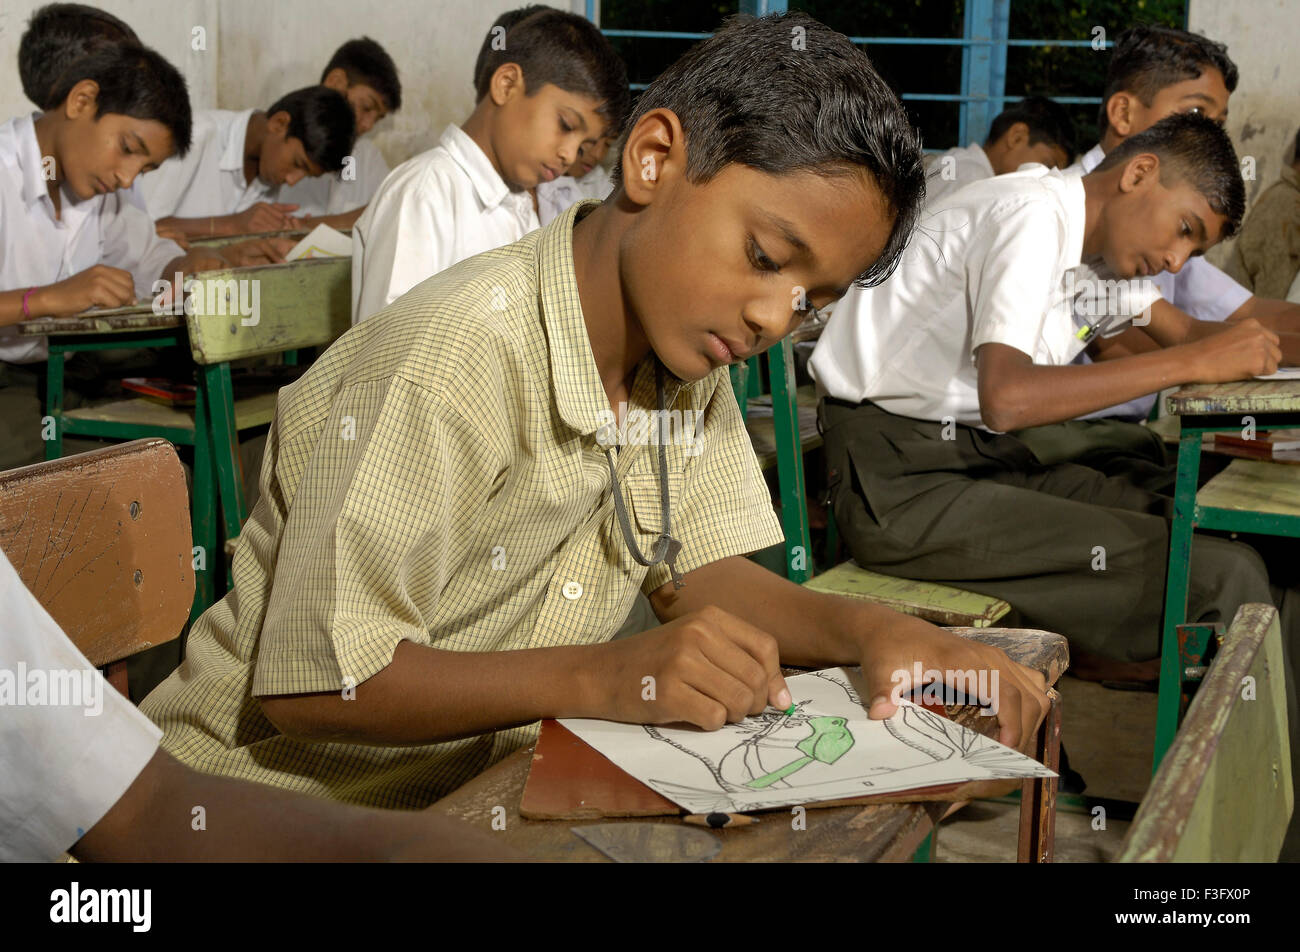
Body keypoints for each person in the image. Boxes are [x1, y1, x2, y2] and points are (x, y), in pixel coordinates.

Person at [140, 12, 1050, 810]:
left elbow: (694, 572)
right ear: (654, 160)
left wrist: (882, 633)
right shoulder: (453, 355)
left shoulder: (682, 363)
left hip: (466, 793)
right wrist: (603, 675)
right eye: (769, 258)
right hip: (251, 808)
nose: (778, 318)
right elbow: (315, 685)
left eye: (814, 299)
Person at [350, 6, 627, 322]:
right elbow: (390, 353)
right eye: (565, 124)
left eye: (583, 147)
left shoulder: (522, 206)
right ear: (507, 84)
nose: (569, 155)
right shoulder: (425, 193)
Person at [925, 95, 1075, 206]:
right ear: (1016, 137)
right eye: (1046, 165)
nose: (1045, 178)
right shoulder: (973, 177)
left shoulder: (959, 160)